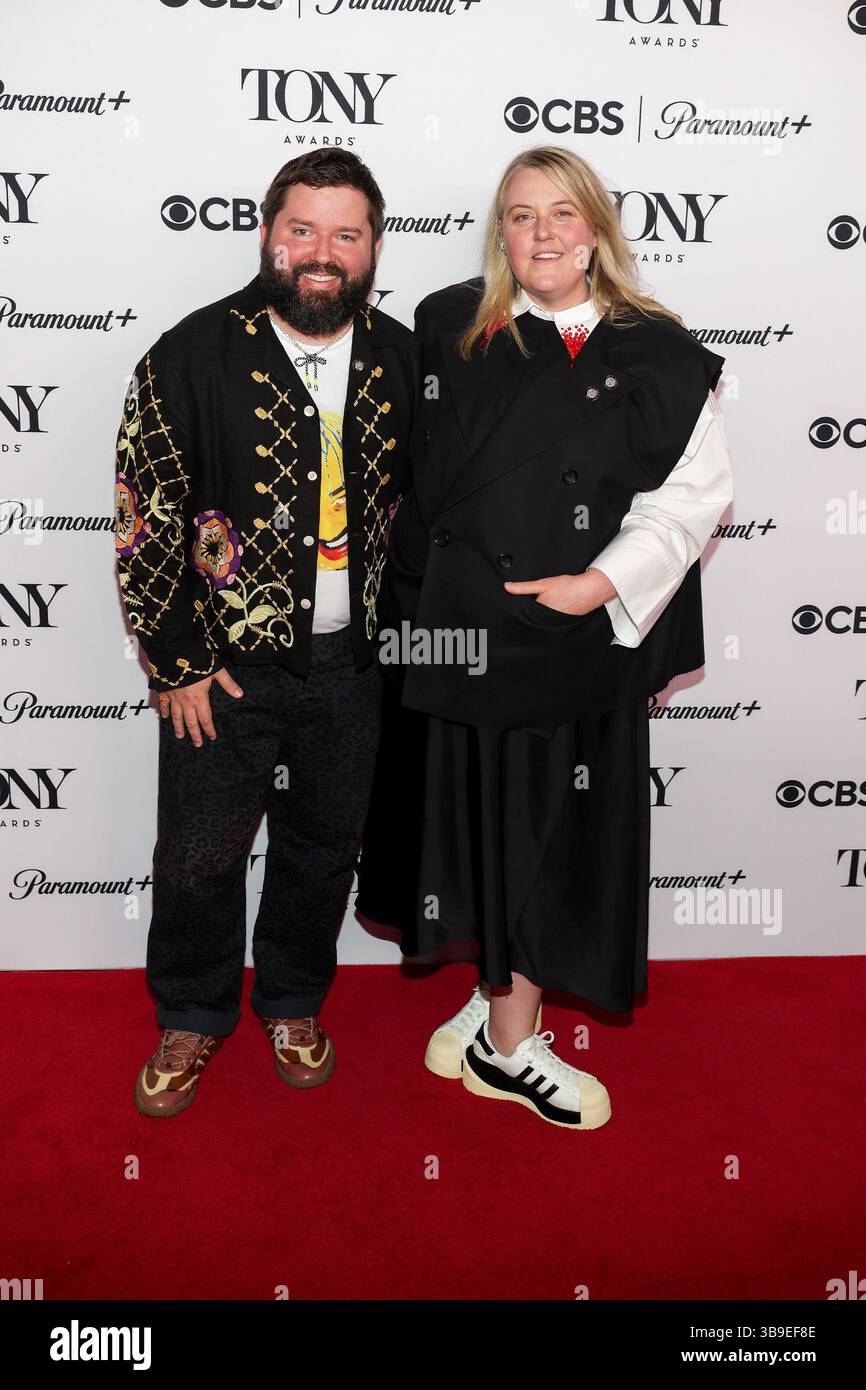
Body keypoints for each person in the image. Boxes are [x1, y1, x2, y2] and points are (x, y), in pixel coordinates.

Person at [355, 145, 733, 1130]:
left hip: (572, 634)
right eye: (521, 216)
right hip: (453, 633)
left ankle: (505, 1035)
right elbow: (397, 469)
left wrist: (597, 584)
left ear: (597, 227)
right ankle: (500, 1017)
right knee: (467, 822)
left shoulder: (654, 350)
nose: (543, 234)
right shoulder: (450, 326)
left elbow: (692, 500)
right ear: (499, 233)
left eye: (562, 213)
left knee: (545, 833)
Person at [114, 149, 415, 1116]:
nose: (321, 253)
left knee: (323, 846)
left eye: (345, 234)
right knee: (199, 851)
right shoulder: (189, 353)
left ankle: (291, 1000)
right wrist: (176, 662)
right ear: (267, 235)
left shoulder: (403, 360)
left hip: (354, 665)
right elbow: (143, 516)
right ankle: (194, 1015)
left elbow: (429, 517)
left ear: (372, 246)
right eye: (303, 230)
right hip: (223, 669)